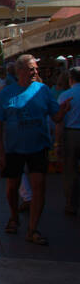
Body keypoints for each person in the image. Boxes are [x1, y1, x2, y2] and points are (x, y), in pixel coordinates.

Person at [0, 54, 68, 245]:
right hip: (14, 148)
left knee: (39, 186)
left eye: (36, 68)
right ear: (20, 71)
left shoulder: (43, 90)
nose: (35, 72)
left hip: (38, 146)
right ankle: (14, 216)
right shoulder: (7, 92)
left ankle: (33, 229)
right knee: (12, 187)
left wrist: (64, 111)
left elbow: (56, 116)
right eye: (31, 68)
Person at [58, 67, 80, 216]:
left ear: (70, 79)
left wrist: (57, 143)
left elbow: (59, 120)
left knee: (70, 170)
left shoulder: (66, 95)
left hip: (71, 133)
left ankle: (70, 203)